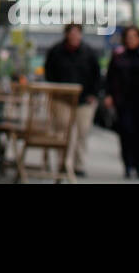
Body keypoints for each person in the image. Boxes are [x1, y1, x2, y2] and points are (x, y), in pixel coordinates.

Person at [43, 23, 102, 177]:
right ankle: (63, 163)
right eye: (72, 33)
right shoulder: (56, 51)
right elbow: (49, 73)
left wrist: (93, 94)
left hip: (84, 100)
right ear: (66, 34)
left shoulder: (89, 53)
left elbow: (97, 76)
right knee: (62, 131)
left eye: (77, 33)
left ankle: (79, 165)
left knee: (82, 132)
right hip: (62, 99)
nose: (74, 36)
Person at [105, 25, 139, 179]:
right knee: (126, 132)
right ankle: (128, 165)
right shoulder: (118, 55)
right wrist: (109, 95)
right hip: (124, 102)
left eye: (134, 37)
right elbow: (110, 78)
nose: (131, 40)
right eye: (129, 37)